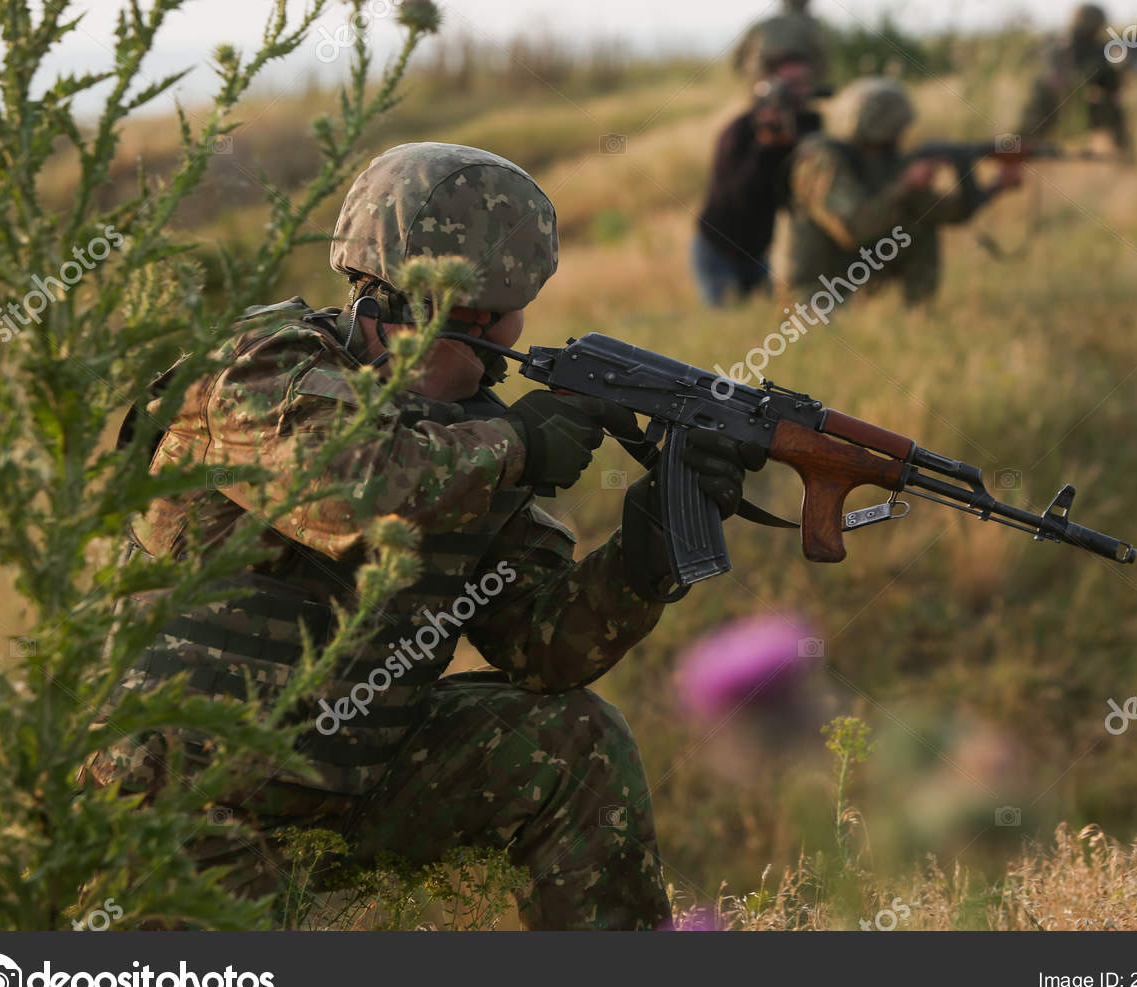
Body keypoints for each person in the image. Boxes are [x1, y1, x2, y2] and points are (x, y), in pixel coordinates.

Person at [83, 142, 764, 930]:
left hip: (349, 787)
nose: (501, 358)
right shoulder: (258, 368)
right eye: (489, 329)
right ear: (413, 311)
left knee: (575, 739)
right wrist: (516, 446)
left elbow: (545, 645)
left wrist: (651, 544)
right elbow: (351, 493)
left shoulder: (462, 438)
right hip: (180, 793)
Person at [786, 78, 1021, 305]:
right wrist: (904, 186)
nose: (898, 140)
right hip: (813, 291)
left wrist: (995, 187)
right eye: (890, 134)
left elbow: (939, 212)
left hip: (850, 279)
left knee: (921, 227)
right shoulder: (821, 161)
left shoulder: (880, 160)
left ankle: (919, 315)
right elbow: (853, 229)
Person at [692, 58, 824, 306]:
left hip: (757, 254)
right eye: (791, 84)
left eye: (803, 84)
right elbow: (735, 197)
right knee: (727, 323)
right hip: (719, 251)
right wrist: (766, 147)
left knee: (763, 318)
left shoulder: (804, 130)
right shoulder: (739, 131)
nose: (799, 92)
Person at [1018, 3, 1134, 160]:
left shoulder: (1057, 45)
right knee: (1115, 113)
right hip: (1062, 111)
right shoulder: (1082, 51)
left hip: (1050, 112)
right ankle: (1127, 157)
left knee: (1024, 136)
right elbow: (1109, 85)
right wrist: (1118, 68)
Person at [732, 0, 830, 87]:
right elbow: (821, 61)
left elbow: (738, 59)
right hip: (796, 87)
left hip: (761, 83)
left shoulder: (762, 25)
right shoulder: (811, 25)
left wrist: (749, 79)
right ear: (807, 0)